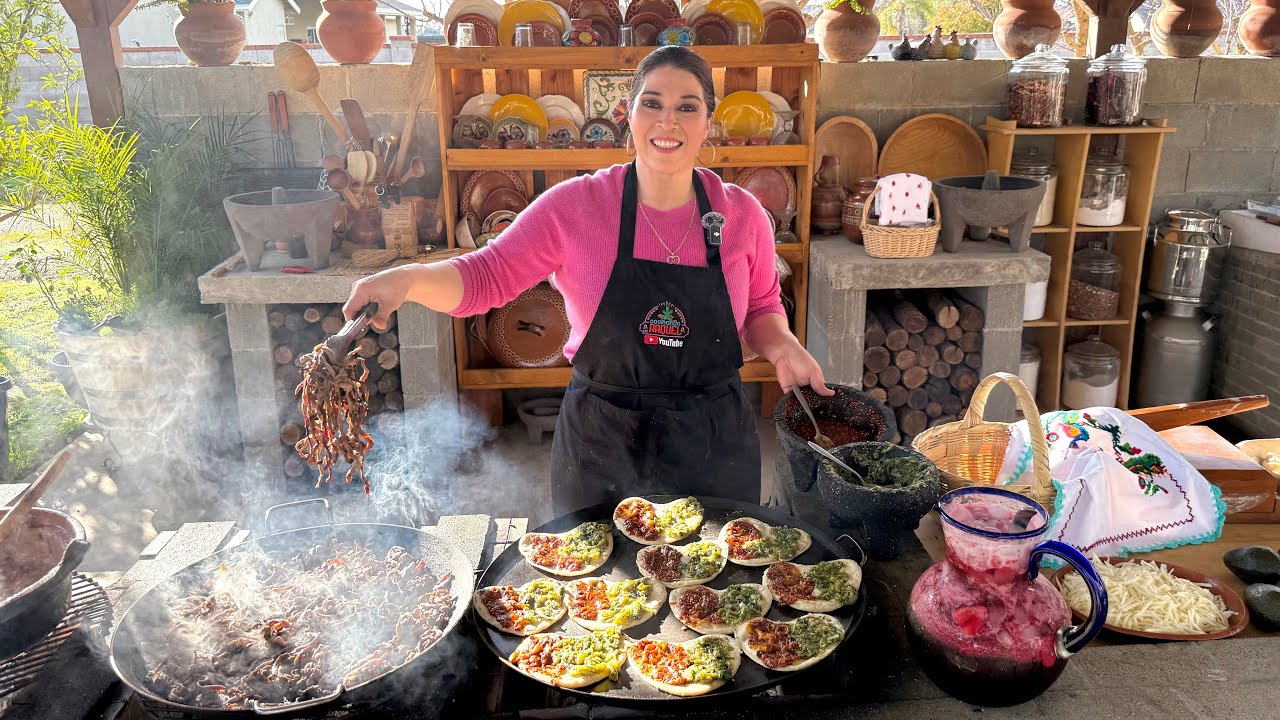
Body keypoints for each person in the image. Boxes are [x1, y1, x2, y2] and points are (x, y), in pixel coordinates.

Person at [344, 46, 831, 514]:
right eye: (652, 103)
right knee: (598, 590)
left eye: (688, 106)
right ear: (630, 117)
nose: (668, 121)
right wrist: (406, 280)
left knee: (716, 589)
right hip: (603, 442)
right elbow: (485, 277)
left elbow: (763, 307)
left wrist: (784, 347)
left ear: (708, 124)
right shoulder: (575, 207)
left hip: (714, 439)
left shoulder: (742, 215)